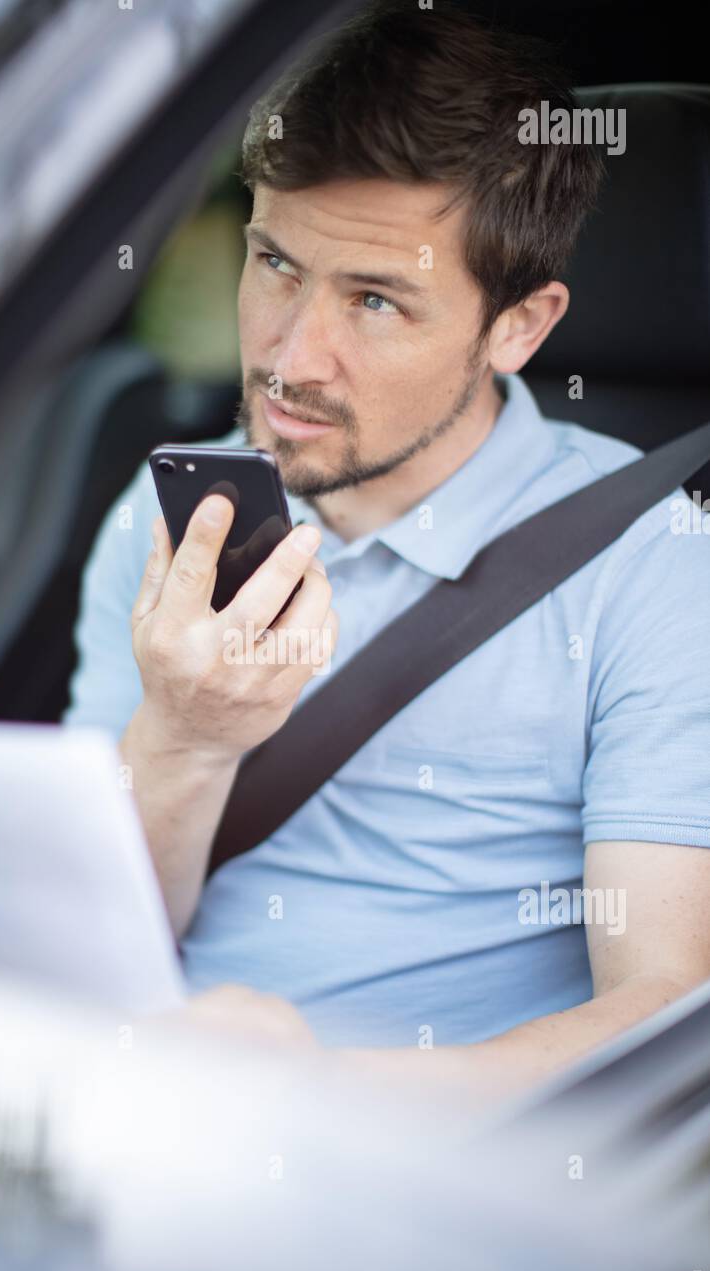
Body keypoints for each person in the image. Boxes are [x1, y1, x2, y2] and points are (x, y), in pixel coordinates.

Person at [63, 2, 710, 1094]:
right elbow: (95, 936)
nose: (287, 356)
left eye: (372, 299)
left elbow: (663, 1015)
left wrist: (324, 1099)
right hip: (144, 1111)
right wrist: (183, 738)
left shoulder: (657, 561)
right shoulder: (166, 511)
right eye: (273, 262)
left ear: (517, 325)